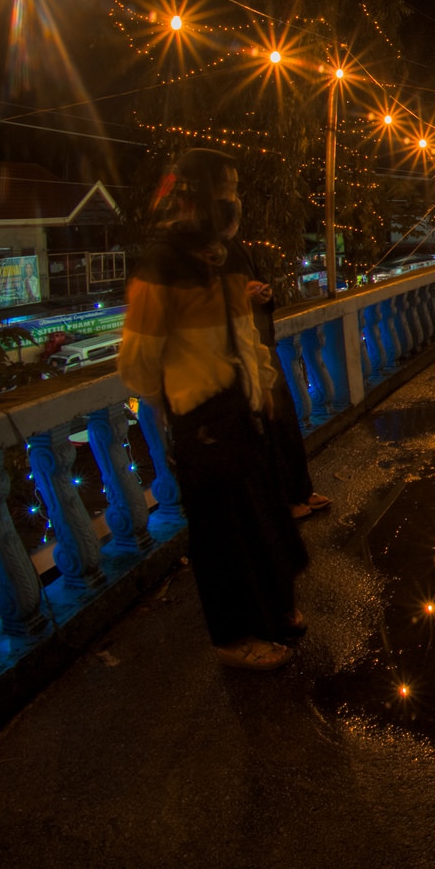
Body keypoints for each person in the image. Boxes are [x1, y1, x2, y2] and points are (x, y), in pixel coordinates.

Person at [119, 148, 309, 671]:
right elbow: (137, 361)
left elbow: (244, 334)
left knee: (264, 520)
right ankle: (232, 636)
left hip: (243, 409)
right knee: (223, 537)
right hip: (202, 418)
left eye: (235, 191)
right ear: (194, 196)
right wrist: (178, 397)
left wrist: (263, 386)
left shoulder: (223, 255)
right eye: (223, 191)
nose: (232, 202)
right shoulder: (163, 264)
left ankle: (273, 612)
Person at [243, 245, 330, 519]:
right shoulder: (205, 256)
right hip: (245, 355)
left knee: (285, 425)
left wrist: (264, 294)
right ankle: (282, 501)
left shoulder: (241, 251)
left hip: (263, 346)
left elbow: (261, 292)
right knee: (267, 432)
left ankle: (300, 491)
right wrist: (241, 297)